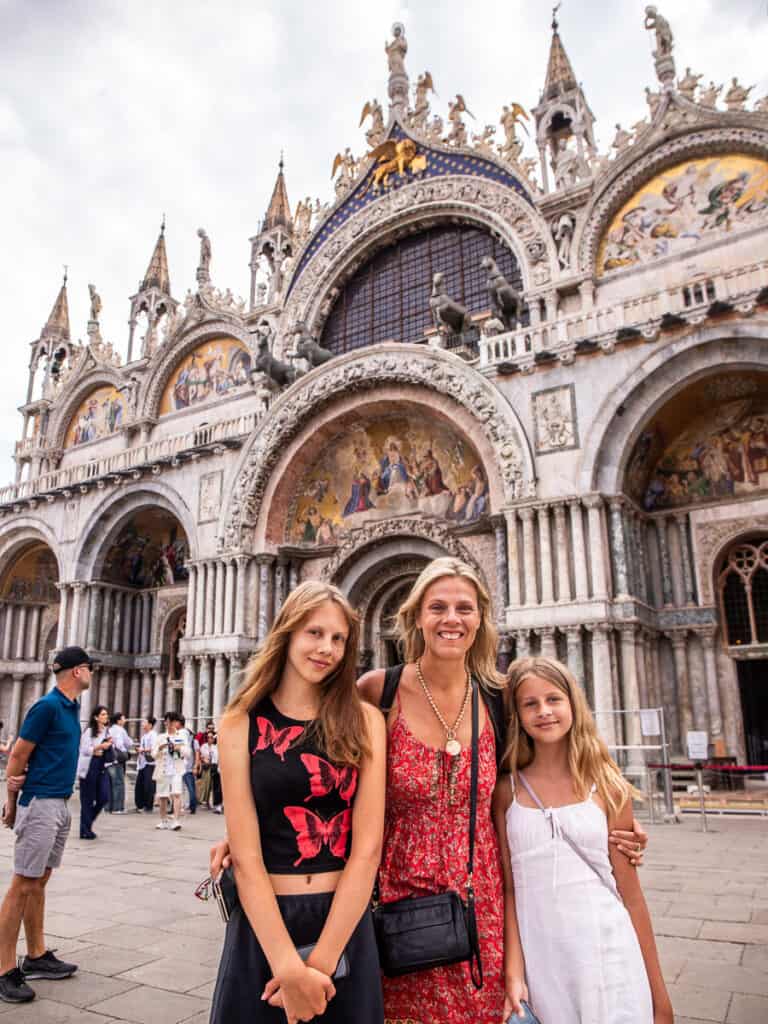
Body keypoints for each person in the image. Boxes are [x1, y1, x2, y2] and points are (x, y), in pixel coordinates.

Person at [210, 559, 648, 1022]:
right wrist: (248, 835)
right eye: (437, 607)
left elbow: (544, 765)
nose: (451, 619)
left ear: (482, 618)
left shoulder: (499, 698)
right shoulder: (377, 692)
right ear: (416, 615)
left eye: (465, 608)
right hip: (390, 915)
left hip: (479, 918)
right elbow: (313, 768)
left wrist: (609, 819)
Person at [209, 580, 386, 1024]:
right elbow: (245, 857)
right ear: (287, 632)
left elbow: (367, 852)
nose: (326, 648)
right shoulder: (239, 722)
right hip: (264, 926)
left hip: (343, 924)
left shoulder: (365, 721)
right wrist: (288, 968)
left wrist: (320, 966)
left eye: (338, 638)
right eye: (314, 632)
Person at [494, 656, 673, 1023]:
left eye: (553, 699)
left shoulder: (607, 787)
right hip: (544, 962)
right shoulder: (505, 792)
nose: (544, 711)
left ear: (573, 703)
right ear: (518, 715)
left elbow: (632, 898)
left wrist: (660, 997)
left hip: (611, 957)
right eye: (530, 703)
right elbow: (510, 890)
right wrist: (514, 971)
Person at [0, 646, 92, 1003]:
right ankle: (6, 968)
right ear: (76, 672)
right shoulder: (47, 707)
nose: (91, 673)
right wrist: (10, 804)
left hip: (59, 803)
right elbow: (18, 755)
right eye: (88, 668)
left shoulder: (71, 708)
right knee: (22, 884)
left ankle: (36, 956)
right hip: (38, 802)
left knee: (40, 880)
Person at [77, 706, 113, 839]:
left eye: (106, 714)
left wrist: (108, 745)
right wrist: (99, 747)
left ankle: (86, 824)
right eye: (103, 714)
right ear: (96, 717)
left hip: (102, 766)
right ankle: (85, 830)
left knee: (104, 797)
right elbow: (84, 749)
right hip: (89, 767)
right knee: (87, 800)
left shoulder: (107, 731)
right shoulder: (89, 731)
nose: (106, 716)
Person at [152, 711, 188, 830]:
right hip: (163, 770)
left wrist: (179, 748)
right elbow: (153, 754)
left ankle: (176, 821)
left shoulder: (181, 736)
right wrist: (160, 748)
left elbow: (188, 753)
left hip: (176, 769)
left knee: (176, 794)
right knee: (163, 796)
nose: (170, 724)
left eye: (172, 722)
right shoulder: (160, 737)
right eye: (167, 722)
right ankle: (163, 820)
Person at [106, 712, 133, 813]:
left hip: (108, 760)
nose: (125, 720)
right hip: (117, 759)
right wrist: (124, 752)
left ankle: (108, 807)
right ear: (119, 720)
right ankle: (118, 808)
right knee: (118, 783)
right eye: (123, 718)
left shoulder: (109, 729)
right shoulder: (120, 730)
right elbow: (124, 743)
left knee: (109, 783)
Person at [134, 717, 157, 813]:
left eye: (145, 722)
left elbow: (154, 748)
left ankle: (148, 806)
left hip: (150, 763)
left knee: (149, 785)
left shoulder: (153, 735)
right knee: (139, 785)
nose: (143, 724)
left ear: (150, 725)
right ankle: (140, 805)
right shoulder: (144, 736)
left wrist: (142, 750)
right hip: (142, 763)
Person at [179, 714, 199, 814]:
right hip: (186, 765)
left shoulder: (193, 741)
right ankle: (187, 806)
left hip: (187, 766)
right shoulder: (193, 740)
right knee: (187, 787)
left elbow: (197, 753)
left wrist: (195, 765)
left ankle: (192, 805)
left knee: (189, 787)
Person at [199, 726, 222, 813]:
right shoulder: (209, 747)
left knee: (218, 787)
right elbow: (205, 757)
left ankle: (218, 804)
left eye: (212, 737)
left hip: (218, 767)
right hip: (211, 767)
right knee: (210, 785)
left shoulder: (217, 747)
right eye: (208, 737)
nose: (210, 739)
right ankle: (212, 803)